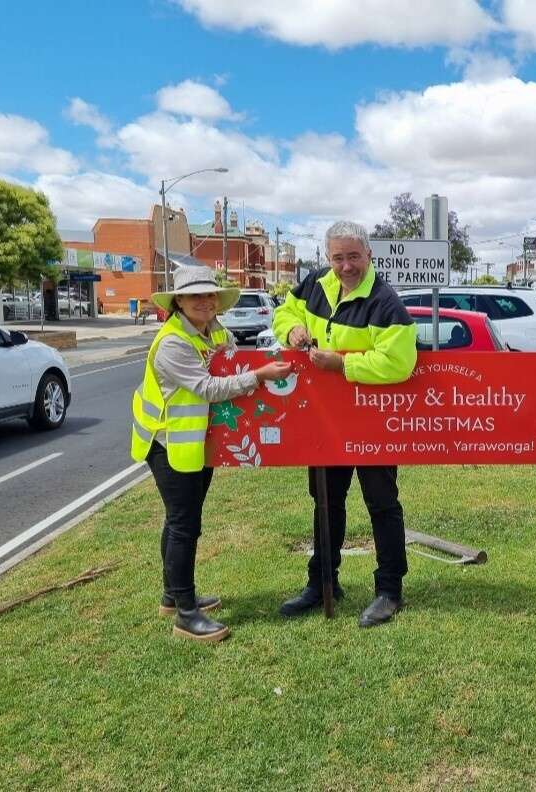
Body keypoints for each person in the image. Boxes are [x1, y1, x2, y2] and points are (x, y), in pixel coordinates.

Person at [131, 266, 292, 642]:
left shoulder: (212, 330)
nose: (204, 302)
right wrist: (259, 376)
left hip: (194, 442)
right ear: (179, 303)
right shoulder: (173, 342)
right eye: (195, 296)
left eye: (209, 296)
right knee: (184, 524)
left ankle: (173, 595)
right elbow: (208, 388)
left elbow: (230, 354)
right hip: (169, 442)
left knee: (180, 521)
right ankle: (186, 614)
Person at [272, 220, 417, 628]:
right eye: (338, 257)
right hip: (325, 422)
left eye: (353, 256)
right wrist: (293, 328)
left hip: (373, 424)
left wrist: (342, 364)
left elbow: (400, 362)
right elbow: (284, 311)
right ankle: (322, 584)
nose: (346, 265)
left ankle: (389, 590)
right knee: (325, 502)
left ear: (369, 255)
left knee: (382, 505)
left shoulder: (387, 302)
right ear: (327, 258)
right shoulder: (316, 283)